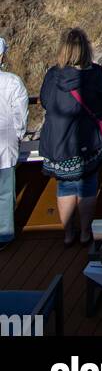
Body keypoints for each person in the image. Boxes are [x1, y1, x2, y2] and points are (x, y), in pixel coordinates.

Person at [38, 28, 102, 247]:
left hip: (58, 144)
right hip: (86, 142)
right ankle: (84, 233)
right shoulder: (95, 74)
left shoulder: (53, 75)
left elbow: (45, 101)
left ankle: (67, 234)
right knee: (87, 186)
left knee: (64, 187)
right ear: (85, 50)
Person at [0, 37, 29, 247]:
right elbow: (20, 114)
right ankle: (4, 235)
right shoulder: (12, 82)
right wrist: (18, 135)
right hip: (5, 145)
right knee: (4, 193)